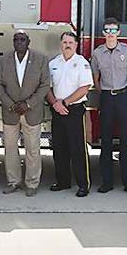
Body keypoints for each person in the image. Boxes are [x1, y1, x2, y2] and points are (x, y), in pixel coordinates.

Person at [0, 30, 49, 197]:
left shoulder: (40, 60)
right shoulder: (4, 61)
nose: (19, 42)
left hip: (31, 113)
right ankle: (13, 182)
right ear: (13, 42)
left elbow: (45, 85)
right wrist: (11, 105)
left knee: (32, 149)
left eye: (22, 39)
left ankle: (32, 184)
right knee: (10, 149)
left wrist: (28, 104)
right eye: (16, 39)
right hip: (11, 113)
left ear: (28, 42)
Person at [90, 17, 127, 195]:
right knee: (106, 141)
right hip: (107, 99)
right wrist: (103, 91)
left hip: (123, 97)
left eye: (113, 30)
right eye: (107, 30)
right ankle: (107, 182)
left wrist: (124, 88)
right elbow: (95, 77)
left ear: (118, 32)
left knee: (126, 141)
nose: (110, 34)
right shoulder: (97, 53)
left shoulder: (126, 50)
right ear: (104, 33)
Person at [46, 32, 93, 197]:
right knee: (59, 148)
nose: (67, 45)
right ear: (61, 44)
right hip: (57, 110)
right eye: (65, 42)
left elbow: (84, 88)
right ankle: (62, 182)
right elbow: (48, 88)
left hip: (74, 110)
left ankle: (83, 184)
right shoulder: (53, 64)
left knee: (77, 149)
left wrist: (64, 103)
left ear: (76, 44)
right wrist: (55, 104)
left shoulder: (82, 63)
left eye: (70, 42)